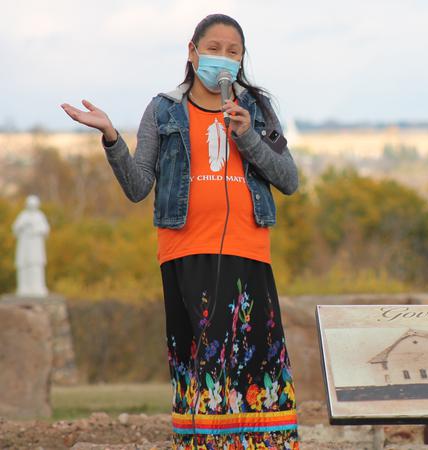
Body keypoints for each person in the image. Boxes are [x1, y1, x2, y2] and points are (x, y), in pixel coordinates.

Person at [62, 14, 300, 450]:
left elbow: (289, 179)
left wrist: (248, 137)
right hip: (185, 251)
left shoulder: (257, 109)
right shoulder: (164, 108)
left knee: (255, 366)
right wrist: (112, 137)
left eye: (233, 52)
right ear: (192, 52)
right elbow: (138, 187)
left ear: (242, 59)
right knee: (202, 363)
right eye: (213, 49)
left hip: (249, 252)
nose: (222, 59)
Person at [13, 195, 50, 297]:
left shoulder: (40, 216)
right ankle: (24, 287)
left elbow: (45, 229)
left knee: (36, 265)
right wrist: (24, 225)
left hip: (35, 246)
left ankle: (37, 287)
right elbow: (15, 228)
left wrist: (35, 228)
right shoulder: (23, 216)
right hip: (24, 245)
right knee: (24, 266)